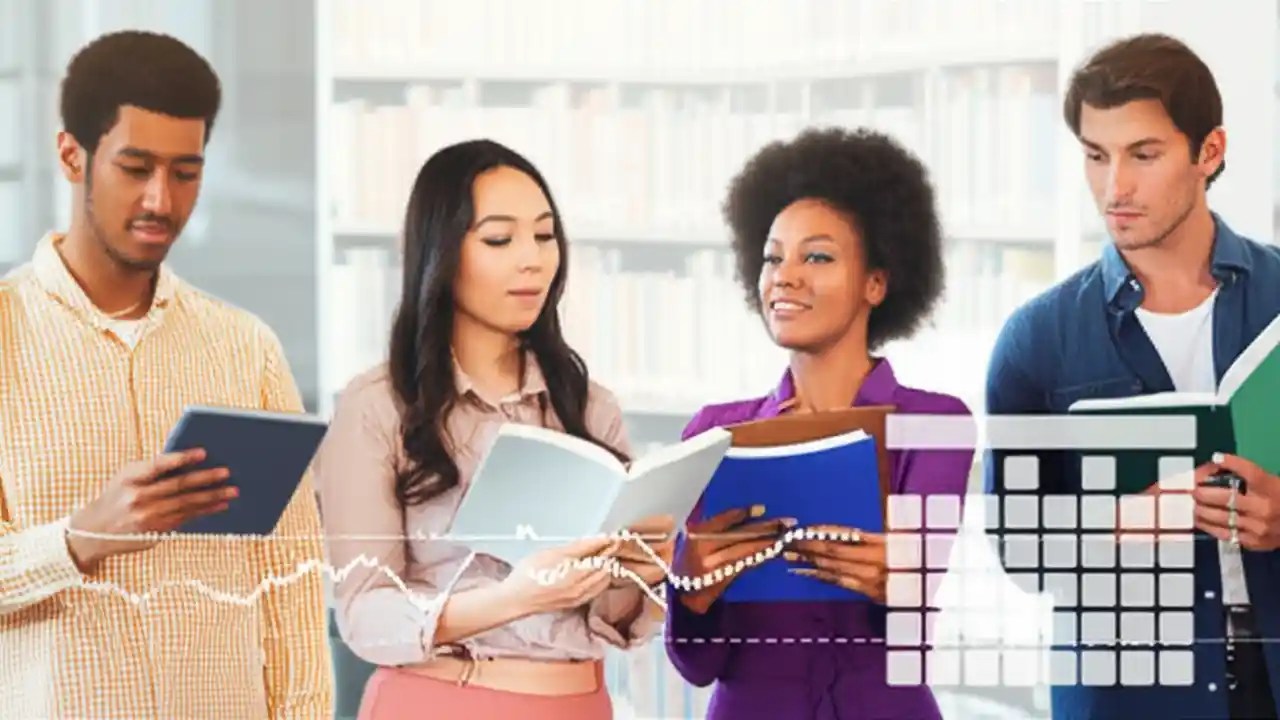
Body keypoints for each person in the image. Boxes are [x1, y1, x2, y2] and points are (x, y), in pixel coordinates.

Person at [0, 30, 332, 719]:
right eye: (135, 166)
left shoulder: (246, 349)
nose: (161, 200)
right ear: (72, 156)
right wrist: (79, 538)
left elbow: (291, 592)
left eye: (186, 172)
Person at [312, 138, 675, 720]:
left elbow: (615, 620)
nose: (532, 259)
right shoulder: (377, 407)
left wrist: (641, 574)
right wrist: (512, 599)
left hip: (581, 703)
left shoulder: (587, 408)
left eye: (545, 235)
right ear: (442, 252)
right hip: (440, 701)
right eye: (500, 239)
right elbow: (364, 615)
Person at [985, 33, 1280, 720]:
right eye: (1096, 155)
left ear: (1209, 152)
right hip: (1132, 696)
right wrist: (1121, 522)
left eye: (1143, 155)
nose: (1114, 187)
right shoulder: (1037, 341)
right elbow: (1017, 548)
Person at [664, 126, 976, 719]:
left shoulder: (934, 424)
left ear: (876, 283)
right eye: (773, 257)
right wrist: (692, 589)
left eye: (818, 256)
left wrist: (900, 586)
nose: (785, 276)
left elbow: (912, 621)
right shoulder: (712, 435)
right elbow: (698, 666)